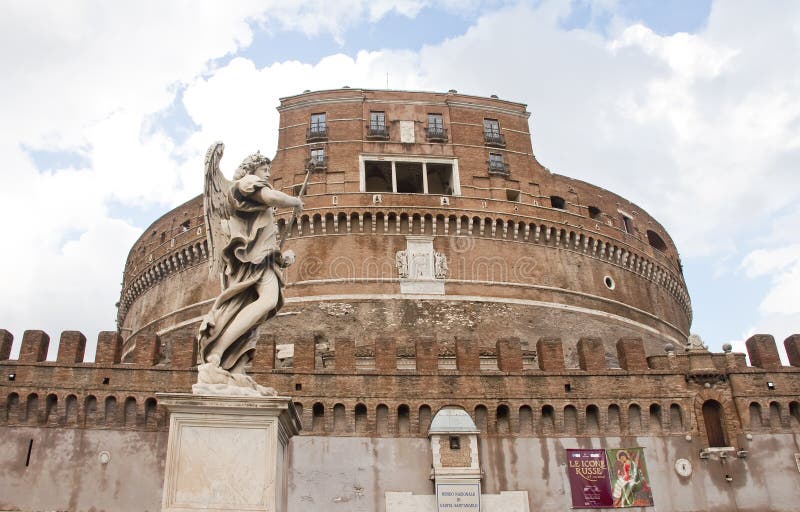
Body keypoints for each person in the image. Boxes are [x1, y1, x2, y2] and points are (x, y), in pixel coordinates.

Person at [196, 150, 302, 393]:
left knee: (257, 312)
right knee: (266, 302)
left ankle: (233, 365)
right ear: (252, 169)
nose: (268, 173)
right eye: (265, 169)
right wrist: (295, 201)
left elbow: (262, 237)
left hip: (261, 261)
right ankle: (217, 352)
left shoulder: (256, 198)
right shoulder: (245, 184)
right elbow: (270, 196)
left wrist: (281, 259)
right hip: (249, 262)